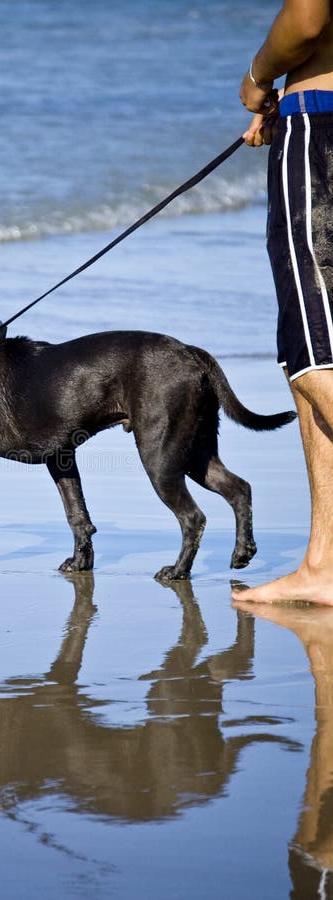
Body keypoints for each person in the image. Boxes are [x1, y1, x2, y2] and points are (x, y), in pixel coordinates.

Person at [233, 0, 333, 605]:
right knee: (310, 370)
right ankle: (324, 564)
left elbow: (308, 18)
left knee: (315, 355)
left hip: (322, 129)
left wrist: (258, 78)